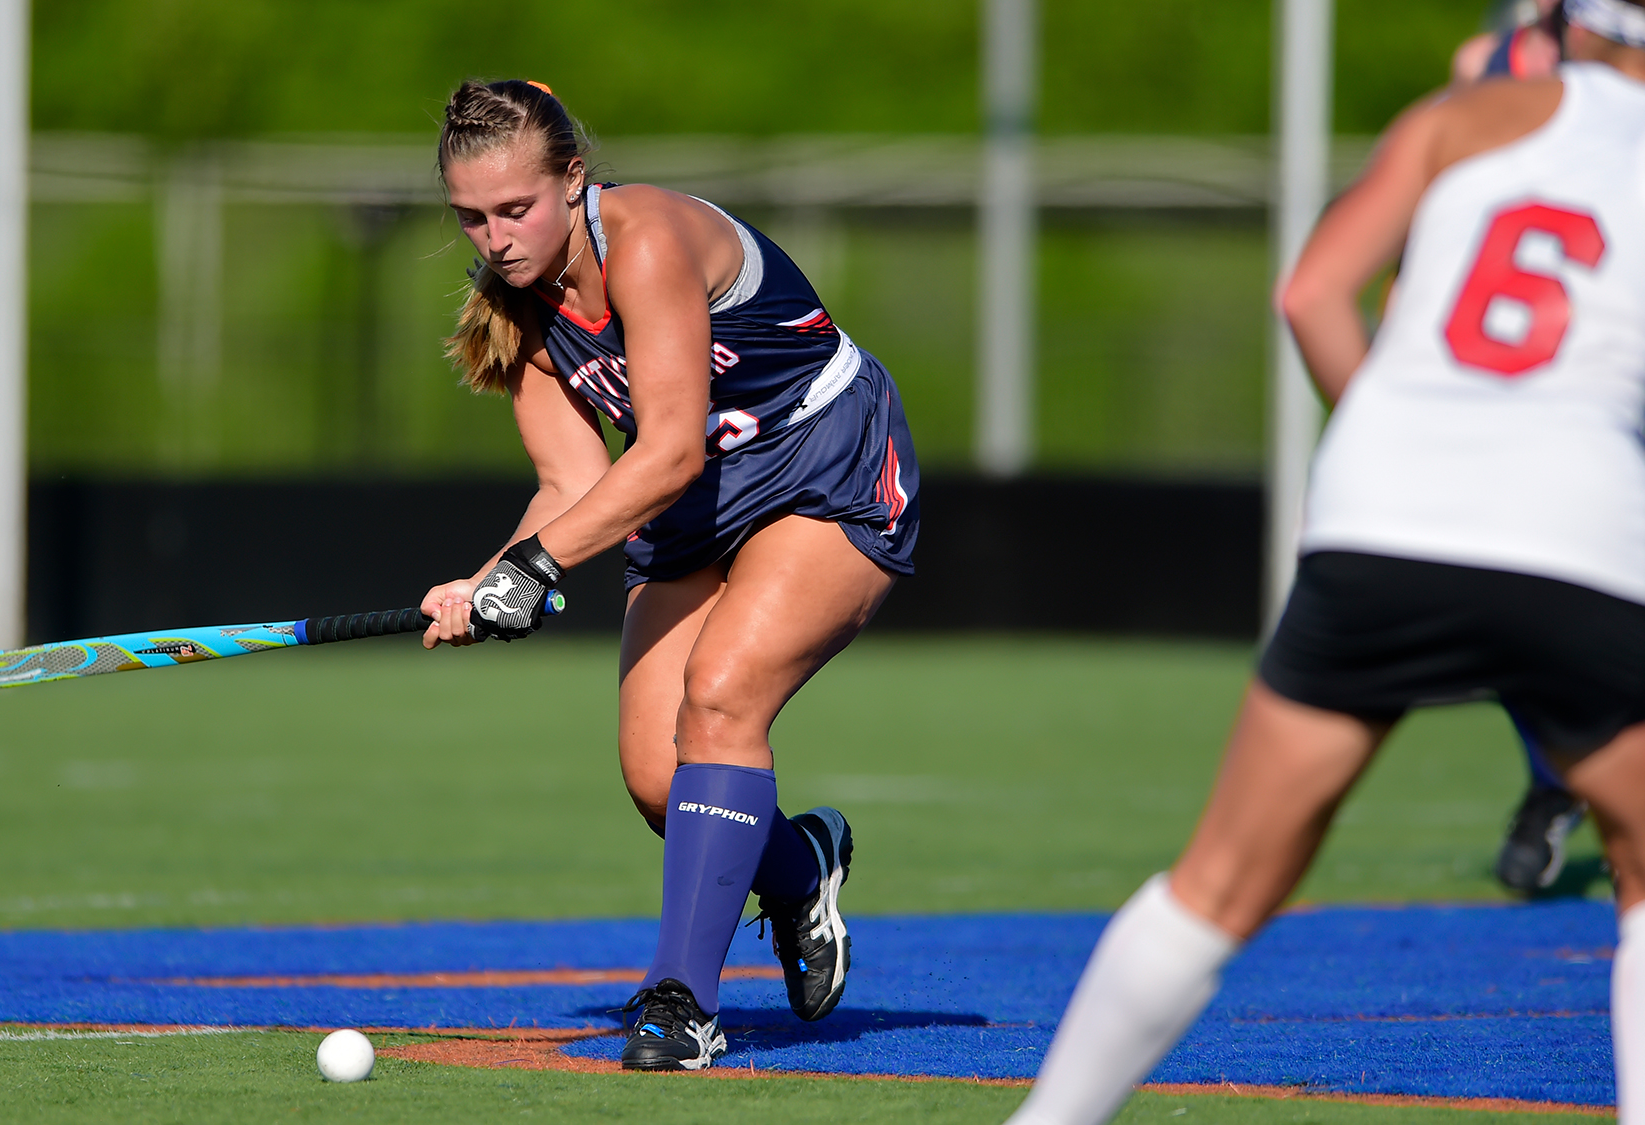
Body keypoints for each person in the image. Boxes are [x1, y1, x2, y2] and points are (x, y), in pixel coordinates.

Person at [1003, 4, 1645, 1121]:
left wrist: (1397, 442)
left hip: (1382, 514)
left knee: (1216, 884)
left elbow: (1308, 294)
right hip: (1578, 533)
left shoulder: (1467, 114)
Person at [419, 79, 920, 1071]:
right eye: (471, 217)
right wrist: (483, 583)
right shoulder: (521, 313)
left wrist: (534, 568)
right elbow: (569, 483)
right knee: (660, 778)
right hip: (690, 510)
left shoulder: (645, 241)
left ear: (572, 179)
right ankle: (799, 869)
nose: (496, 239)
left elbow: (670, 451)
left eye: (515, 208)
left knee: (720, 697)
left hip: (820, 466)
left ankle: (682, 1002)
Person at [1450, 0, 1593, 897]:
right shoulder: (1486, 65)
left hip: (1615, 357)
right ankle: (1554, 776)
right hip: (1526, 382)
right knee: (1512, 601)